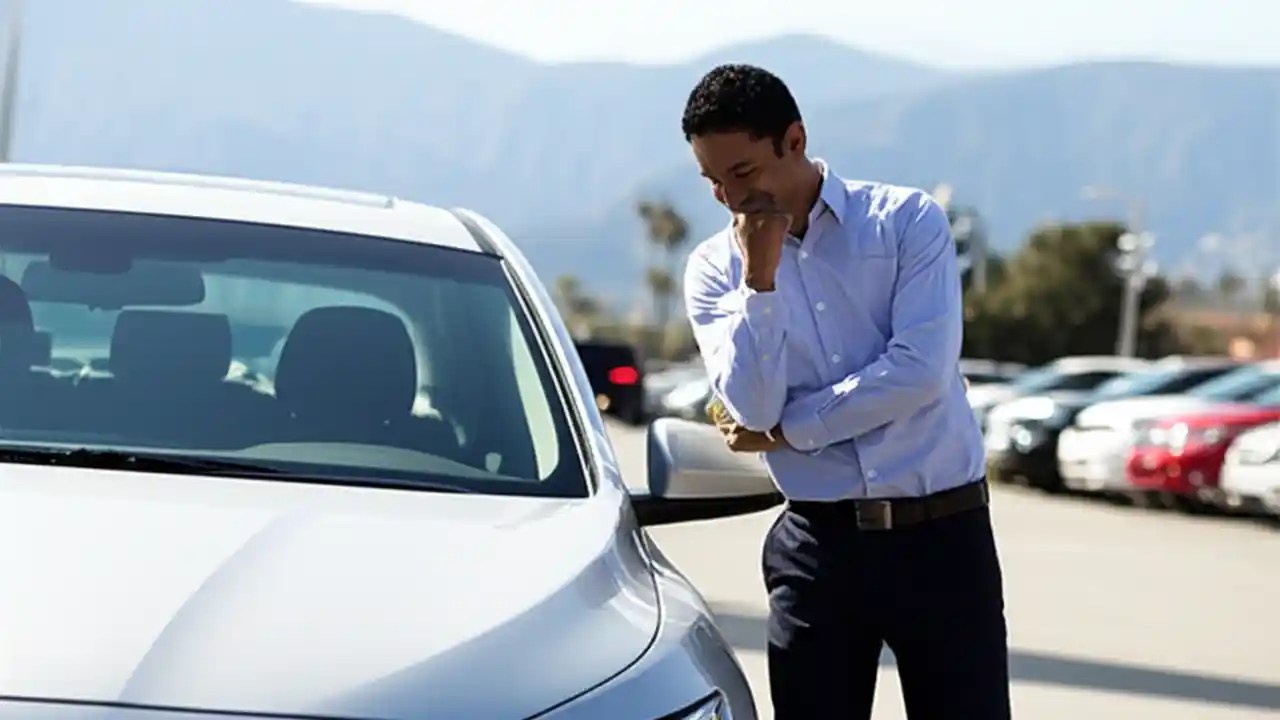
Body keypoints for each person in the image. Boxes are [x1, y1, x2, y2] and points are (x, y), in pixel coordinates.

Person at [680, 63, 1011, 719]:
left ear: (795, 140)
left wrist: (790, 432)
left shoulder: (907, 222)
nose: (729, 198)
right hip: (818, 550)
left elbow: (918, 370)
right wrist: (761, 281)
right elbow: (751, 407)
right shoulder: (716, 269)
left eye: (742, 173)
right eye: (713, 181)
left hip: (942, 539)